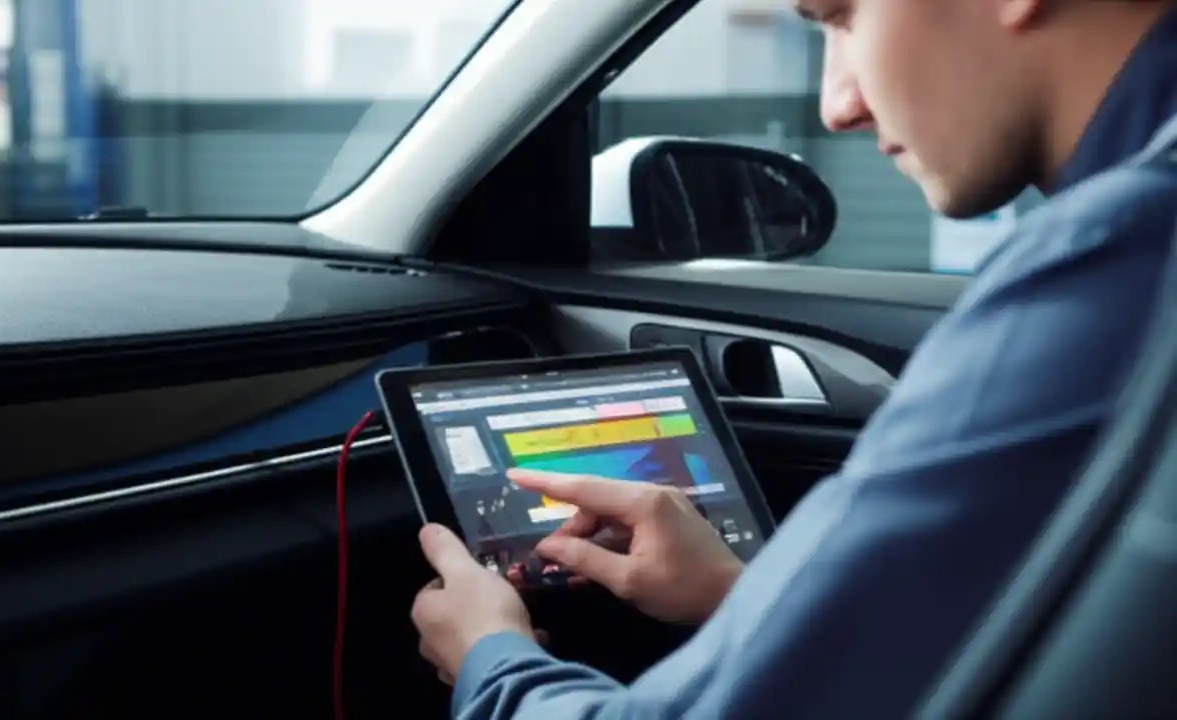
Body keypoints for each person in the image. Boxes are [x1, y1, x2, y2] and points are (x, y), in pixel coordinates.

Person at [411, 0, 1177, 716]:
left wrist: (492, 659)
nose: (837, 105)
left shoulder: (1120, 256)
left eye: (840, 17)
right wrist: (738, 596)